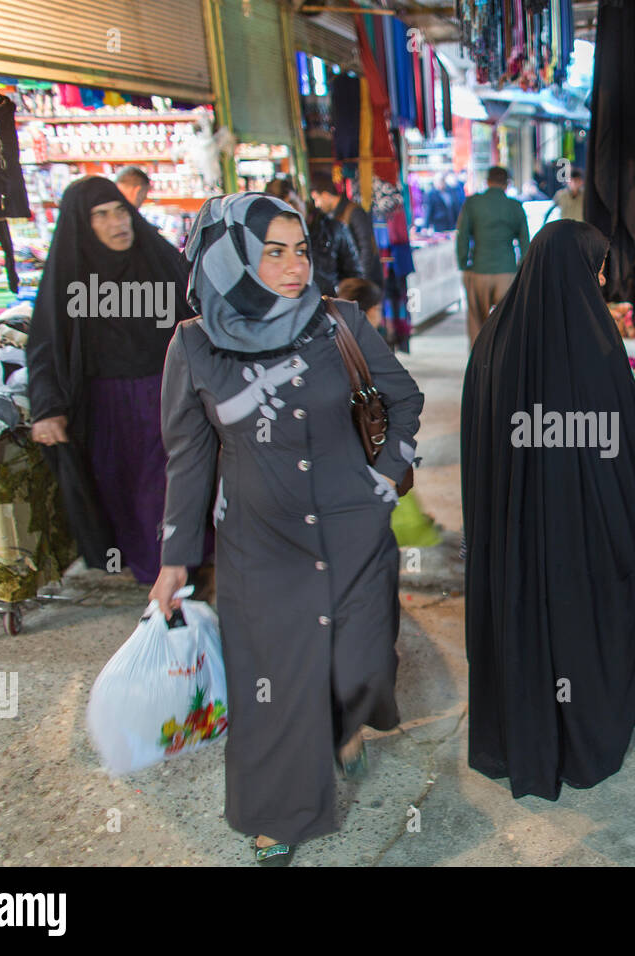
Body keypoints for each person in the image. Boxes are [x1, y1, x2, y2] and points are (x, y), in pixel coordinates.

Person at [149, 192, 423, 865]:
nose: (296, 265)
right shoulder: (193, 344)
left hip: (353, 529)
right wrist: (177, 559)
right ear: (229, 256)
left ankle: (347, 721)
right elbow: (188, 459)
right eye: (273, 252)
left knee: (361, 664)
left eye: (300, 249)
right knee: (274, 683)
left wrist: (386, 477)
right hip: (259, 541)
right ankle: (279, 812)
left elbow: (404, 399)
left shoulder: (340, 322)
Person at [462, 219, 635, 800]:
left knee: (524, 623)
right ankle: (584, 744)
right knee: (579, 626)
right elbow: (630, 431)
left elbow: (479, 433)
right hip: (578, 539)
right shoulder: (591, 343)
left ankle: (522, 742)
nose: (600, 279)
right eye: (596, 268)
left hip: (514, 536)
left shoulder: (494, 336)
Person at [28, 176, 191, 585]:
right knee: (122, 493)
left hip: (167, 395)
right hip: (105, 406)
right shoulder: (70, 278)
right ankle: (152, 573)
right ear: (83, 225)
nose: (118, 223)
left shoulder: (159, 261)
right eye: (101, 215)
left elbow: (203, 310)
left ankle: (173, 576)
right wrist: (48, 408)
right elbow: (46, 344)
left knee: (165, 486)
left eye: (121, 211)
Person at [455, 166, 530, 345]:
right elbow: (525, 241)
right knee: (510, 324)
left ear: (487, 181)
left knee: (476, 323)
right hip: (507, 272)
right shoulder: (515, 206)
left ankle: (477, 364)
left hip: (479, 270)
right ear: (507, 184)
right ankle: (505, 363)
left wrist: (464, 264)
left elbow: (462, 236)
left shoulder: (473, 203)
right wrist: (521, 268)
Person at [306, 171, 376, 306]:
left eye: (317, 199)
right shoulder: (330, 218)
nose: (317, 204)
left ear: (325, 195)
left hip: (363, 279)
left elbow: (366, 246)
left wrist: (360, 283)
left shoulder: (352, 211)